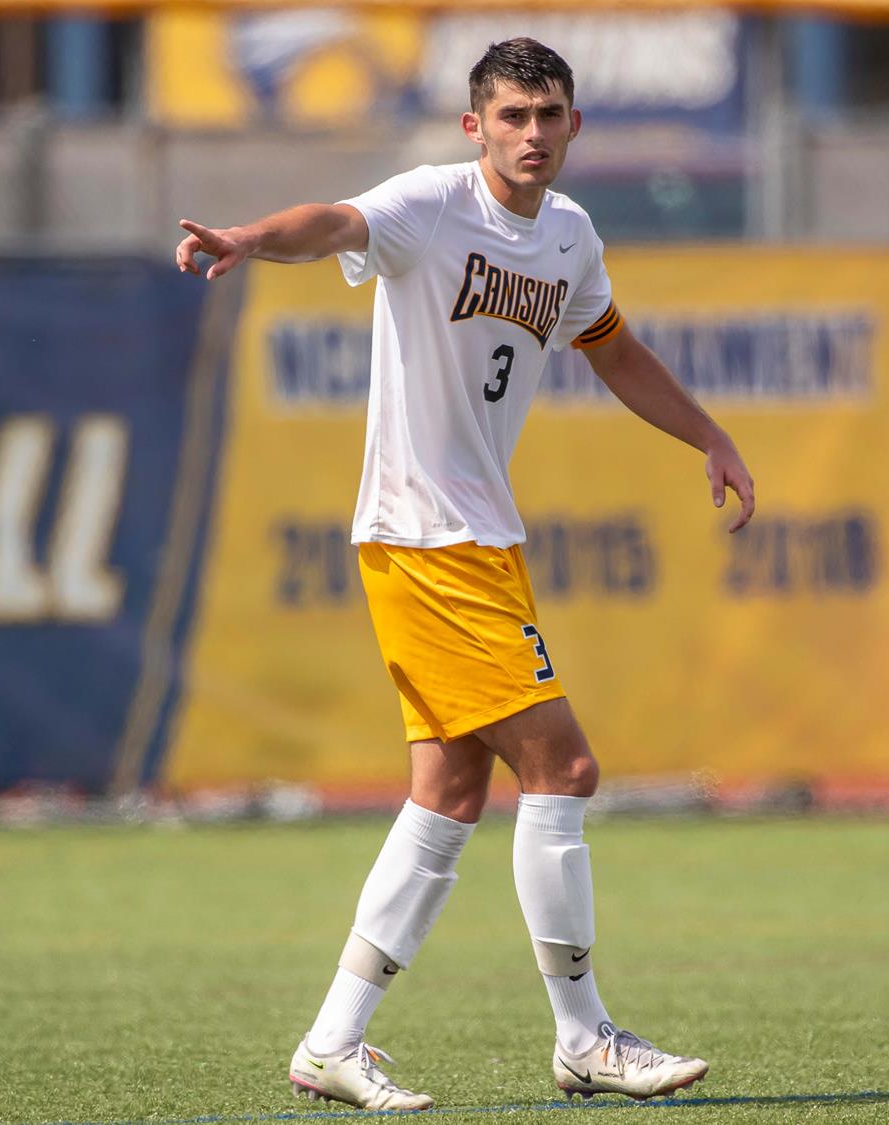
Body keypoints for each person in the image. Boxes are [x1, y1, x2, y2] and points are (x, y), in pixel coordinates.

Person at [176, 36, 754, 1112]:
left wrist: (708, 437)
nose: (530, 134)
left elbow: (614, 351)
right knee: (566, 771)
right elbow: (339, 225)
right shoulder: (432, 205)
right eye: (510, 116)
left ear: (574, 125)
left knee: (447, 794)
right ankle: (585, 1034)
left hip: (478, 538)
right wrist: (253, 238)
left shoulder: (570, 235)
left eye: (547, 115)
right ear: (472, 126)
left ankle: (329, 1043)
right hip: (422, 537)